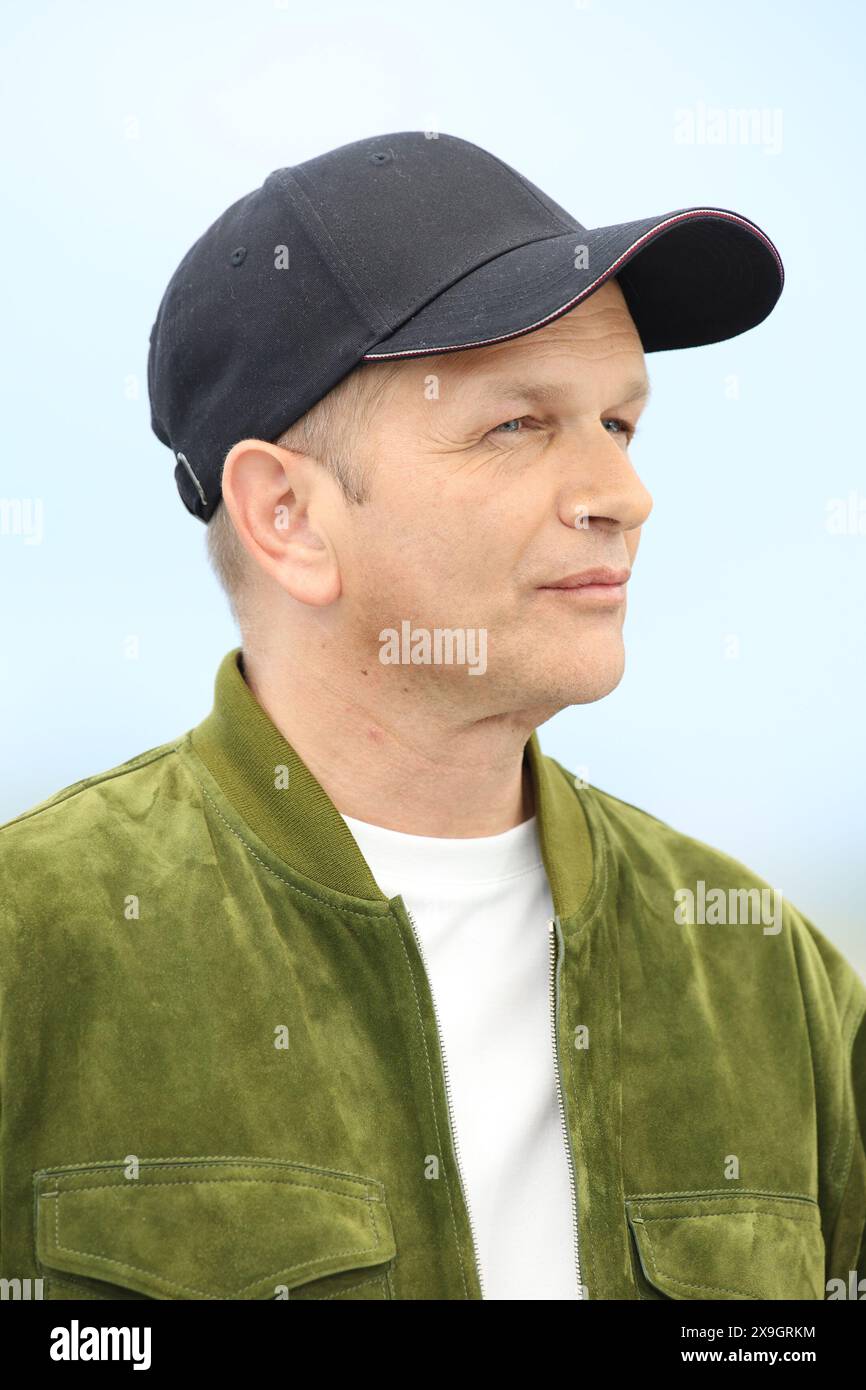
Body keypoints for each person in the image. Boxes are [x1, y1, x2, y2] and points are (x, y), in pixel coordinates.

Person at [1, 132, 863, 1302]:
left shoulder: (768, 977)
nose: (622, 495)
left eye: (617, 424)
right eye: (517, 425)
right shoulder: (32, 946)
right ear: (286, 516)